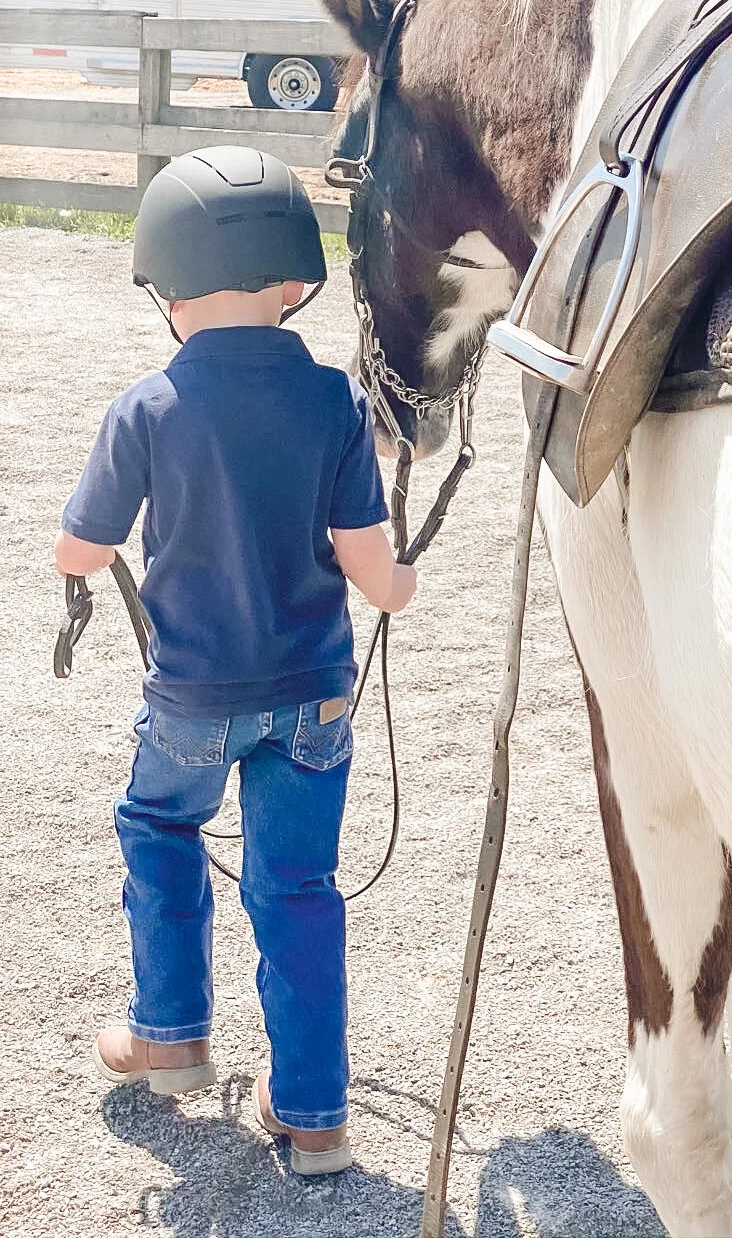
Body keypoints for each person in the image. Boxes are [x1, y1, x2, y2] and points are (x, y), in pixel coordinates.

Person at [54, 146, 415, 1176]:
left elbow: (81, 548)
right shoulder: (335, 401)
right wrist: (406, 586)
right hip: (314, 700)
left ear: (168, 290)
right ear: (295, 283)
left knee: (159, 820)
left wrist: (78, 557)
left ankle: (168, 1027)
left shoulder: (148, 406)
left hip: (193, 697)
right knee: (299, 884)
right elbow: (376, 575)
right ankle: (312, 1116)